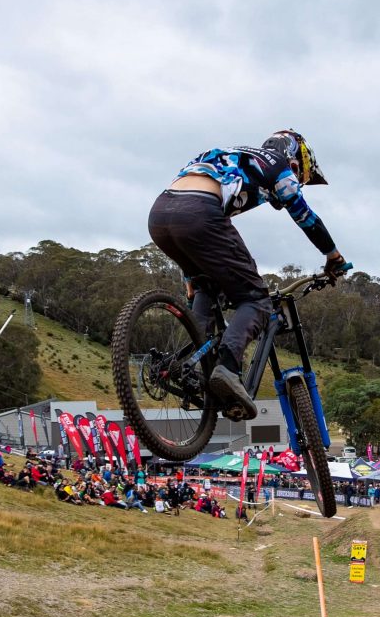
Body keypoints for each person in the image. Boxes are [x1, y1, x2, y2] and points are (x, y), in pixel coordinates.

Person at [146, 131, 347, 420]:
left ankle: (189, 367)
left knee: (207, 287)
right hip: (200, 212)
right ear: (296, 158)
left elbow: (188, 222)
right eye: (302, 177)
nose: (300, 183)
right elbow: (305, 216)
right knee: (256, 299)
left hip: (161, 215)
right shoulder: (277, 163)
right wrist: (333, 256)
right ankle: (227, 368)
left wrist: (191, 277)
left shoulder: (228, 155)